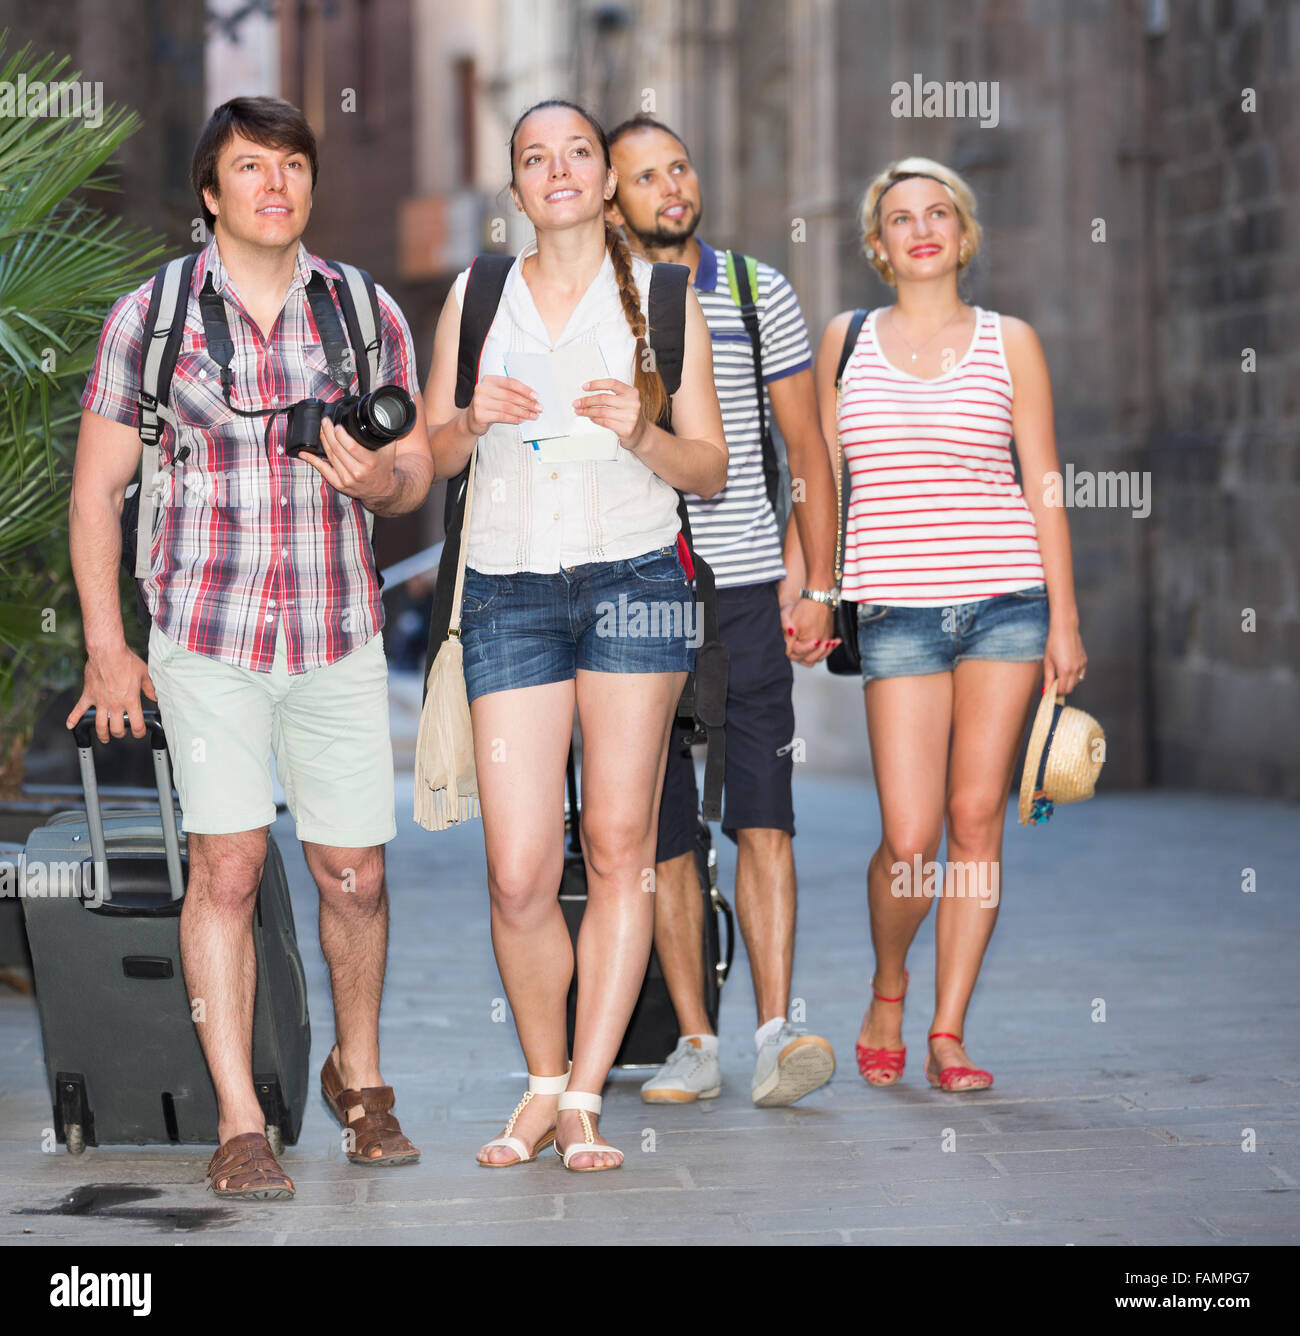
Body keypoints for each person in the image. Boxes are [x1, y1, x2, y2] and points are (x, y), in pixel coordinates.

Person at [67, 97, 433, 1197]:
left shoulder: (365, 310)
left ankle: (357, 1076)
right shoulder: (154, 316)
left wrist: (388, 481)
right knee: (227, 865)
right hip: (205, 628)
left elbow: (416, 467)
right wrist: (105, 646)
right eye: (250, 167)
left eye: (291, 166)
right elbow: (96, 491)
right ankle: (238, 1117)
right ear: (212, 193)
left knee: (354, 874)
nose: (275, 184)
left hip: (333, 627)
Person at [422, 100, 726, 1171]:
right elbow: (433, 453)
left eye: (577, 154)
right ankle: (539, 1081)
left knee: (617, 847)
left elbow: (713, 469)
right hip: (507, 588)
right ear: (515, 189)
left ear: (607, 182)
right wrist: (471, 419)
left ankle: (586, 1093)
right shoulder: (479, 294)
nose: (556, 170)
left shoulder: (664, 296)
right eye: (532, 157)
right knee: (516, 869)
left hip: (634, 581)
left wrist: (640, 429)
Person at [806, 158, 1087, 1092]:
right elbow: (823, 483)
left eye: (938, 214)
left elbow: (1042, 481)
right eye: (899, 218)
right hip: (897, 610)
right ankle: (889, 982)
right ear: (877, 245)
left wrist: (1065, 619)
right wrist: (812, 586)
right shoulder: (845, 340)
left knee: (977, 819)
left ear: (964, 235)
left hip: (1006, 600)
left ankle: (948, 1028)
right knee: (912, 833)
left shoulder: (1015, 343)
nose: (920, 228)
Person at [606, 115, 841, 1107]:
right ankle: (694, 1040)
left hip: (745, 588)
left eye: (680, 167)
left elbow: (806, 450)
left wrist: (817, 582)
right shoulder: (594, 299)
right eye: (646, 177)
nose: (672, 187)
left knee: (763, 815)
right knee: (660, 829)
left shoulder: (755, 290)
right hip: (630, 587)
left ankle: (777, 1033)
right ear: (612, 200)